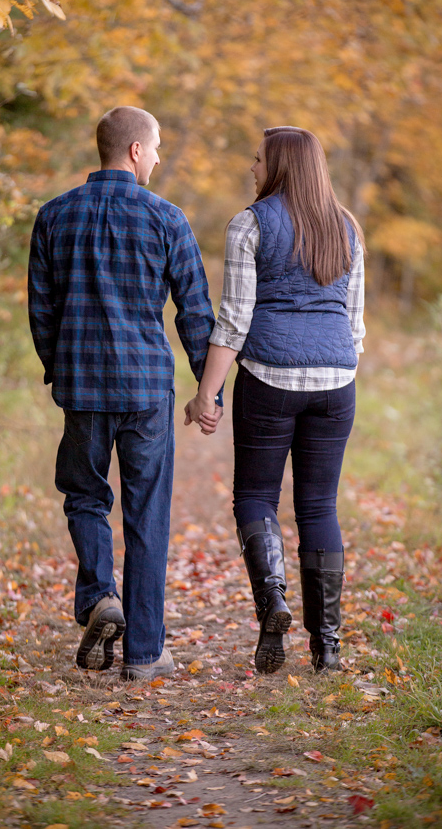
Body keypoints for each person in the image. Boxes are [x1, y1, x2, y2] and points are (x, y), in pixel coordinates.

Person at [29, 106, 222, 681]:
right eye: (156, 147)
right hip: (146, 390)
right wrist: (207, 389)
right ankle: (144, 654)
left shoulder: (54, 216)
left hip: (83, 388)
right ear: (135, 150)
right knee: (147, 514)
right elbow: (195, 311)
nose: (158, 159)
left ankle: (98, 596)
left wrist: (61, 368)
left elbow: (42, 310)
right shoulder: (167, 218)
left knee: (85, 497)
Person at [185, 126, 365, 675]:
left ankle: (273, 602)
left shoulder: (251, 223)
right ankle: (327, 647)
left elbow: (234, 320)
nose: (253, 167)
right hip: (336, 381)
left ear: (282, 165)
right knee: (319, 505)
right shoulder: (347, 226)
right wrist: (334, 369)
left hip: (270, 377)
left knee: (256, 495)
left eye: (259, 159)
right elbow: (355, 325)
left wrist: (207, 394)